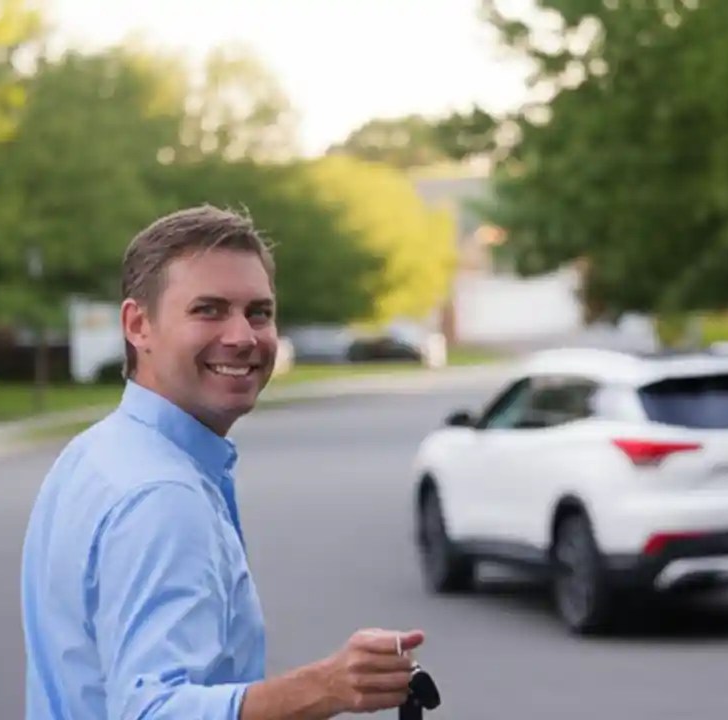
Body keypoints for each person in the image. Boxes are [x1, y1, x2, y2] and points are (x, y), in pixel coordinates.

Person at [21, 205, 425, 720]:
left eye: (259, 312)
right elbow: (152, 711)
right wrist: (326, 688)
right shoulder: (162, 495)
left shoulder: (96, 454)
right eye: (208, 310)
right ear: (138, 325)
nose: (242, 336)